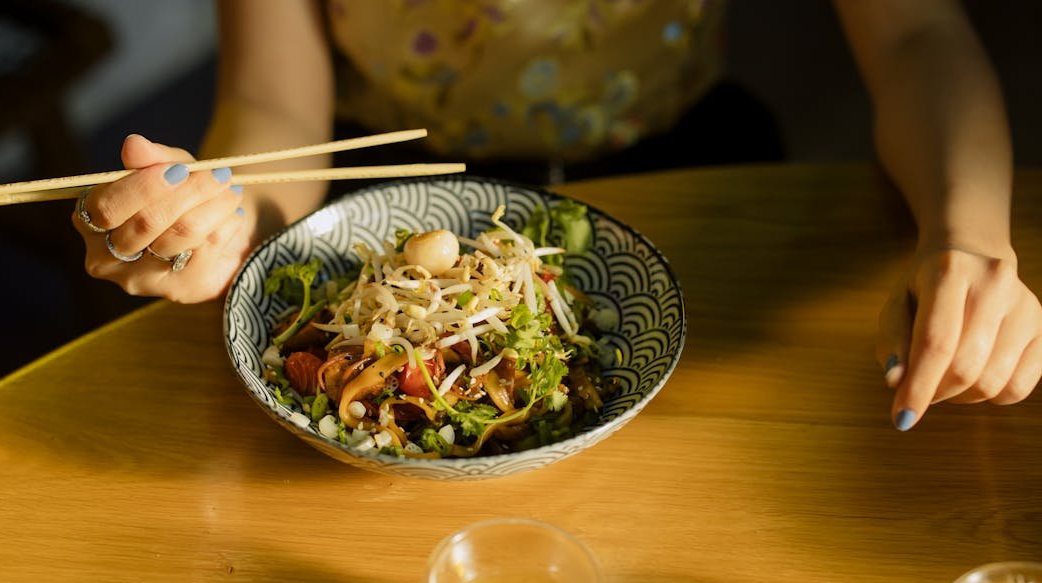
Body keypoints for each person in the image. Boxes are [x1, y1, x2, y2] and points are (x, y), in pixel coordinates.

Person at [71, 0, 1041, 431]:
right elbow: (277, 111)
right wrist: (227, 217)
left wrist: (969, 240)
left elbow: (917, 35)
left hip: (689, 163)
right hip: (394, 191)